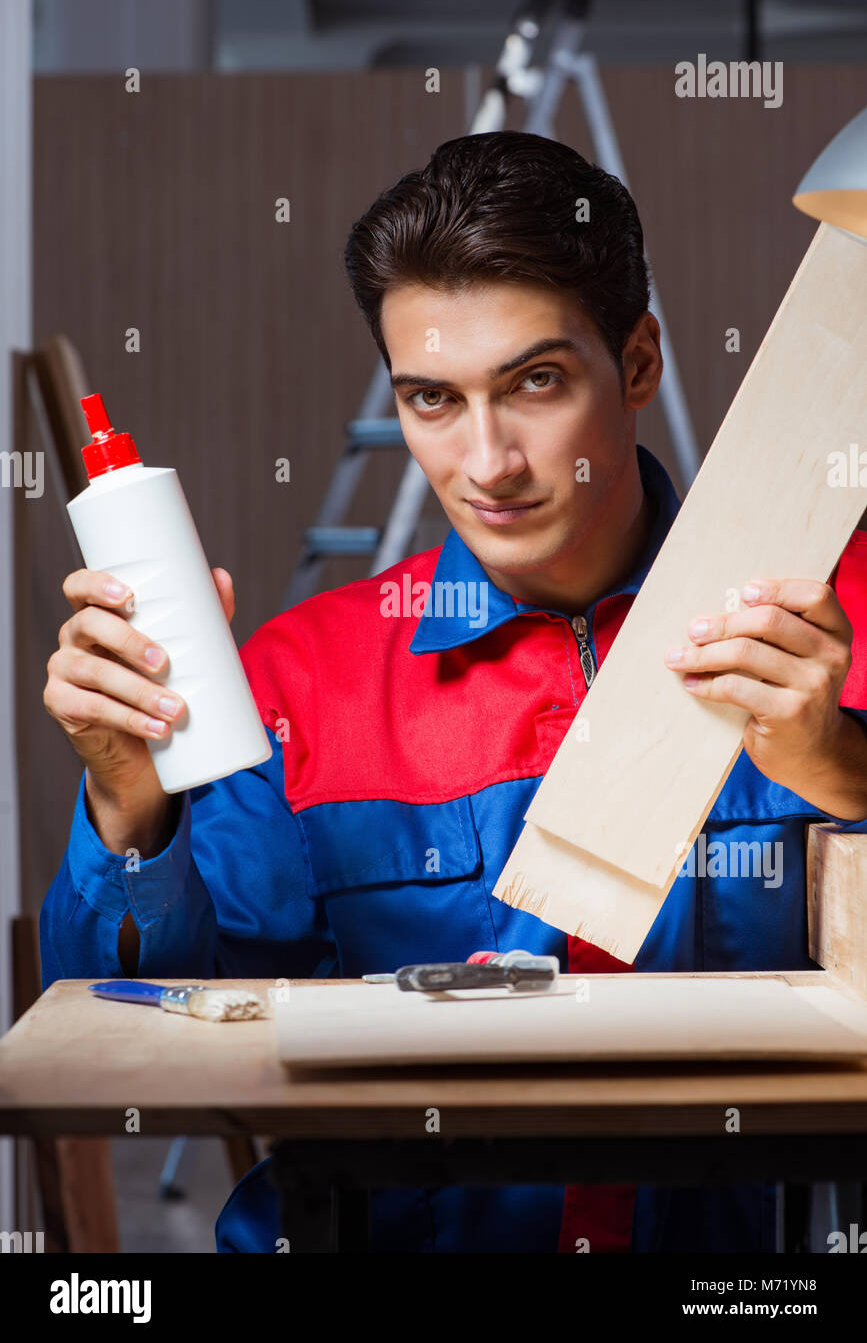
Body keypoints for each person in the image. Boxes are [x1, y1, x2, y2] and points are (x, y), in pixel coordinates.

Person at [41, 131, 867, 1253]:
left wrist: (841, 772)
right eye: (432, 399)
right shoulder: (299, 681)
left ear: (638, 364)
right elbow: (129, 1037)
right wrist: (129, 806)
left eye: (535, 382)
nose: (487, 462)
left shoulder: (826, 622)